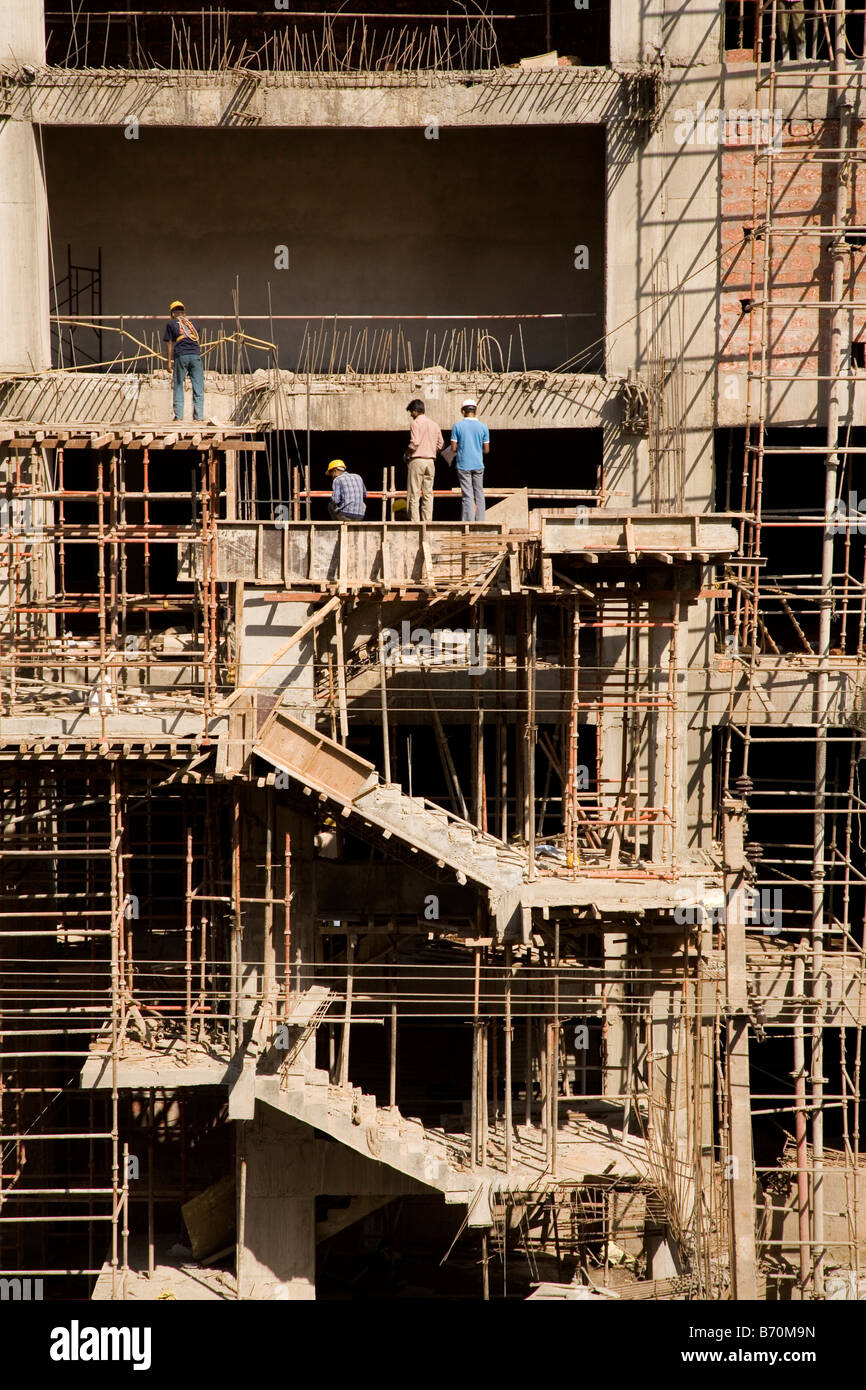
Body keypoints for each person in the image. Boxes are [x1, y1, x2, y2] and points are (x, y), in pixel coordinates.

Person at [163, 299, 204, 422]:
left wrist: (169, 362)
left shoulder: (171, 324)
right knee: (198, 387)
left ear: (172, 314)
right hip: (196, 356)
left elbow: (169, 343)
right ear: (184, 313)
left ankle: (179, 417)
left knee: (179, 385)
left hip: (182, 356)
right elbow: (198, 342)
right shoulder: (194, 325)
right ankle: (199, 417)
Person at [404, 398, 443, 522]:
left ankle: (415, 522)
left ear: (415, 411)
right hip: (430, 461)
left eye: (411, 412)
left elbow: (414, 443)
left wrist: (406, 454)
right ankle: (428, 521)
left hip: (417, 460)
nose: (411, 415)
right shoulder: (434, 424)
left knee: (414, 493)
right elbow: (441, 445)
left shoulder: (415, 423)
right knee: (428, 494)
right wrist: (431, 449)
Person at [450, 398, 489, 522]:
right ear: (476, 411)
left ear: (463, 411)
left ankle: (468, 522)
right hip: (478, 464)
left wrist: (463, 449)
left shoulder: (457, 426)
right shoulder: (483, 427)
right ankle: (481, 521)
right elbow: (487, 450)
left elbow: (453, 448)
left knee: (467, 495)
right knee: (479, 494)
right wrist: (476, 450)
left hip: (463, 465)